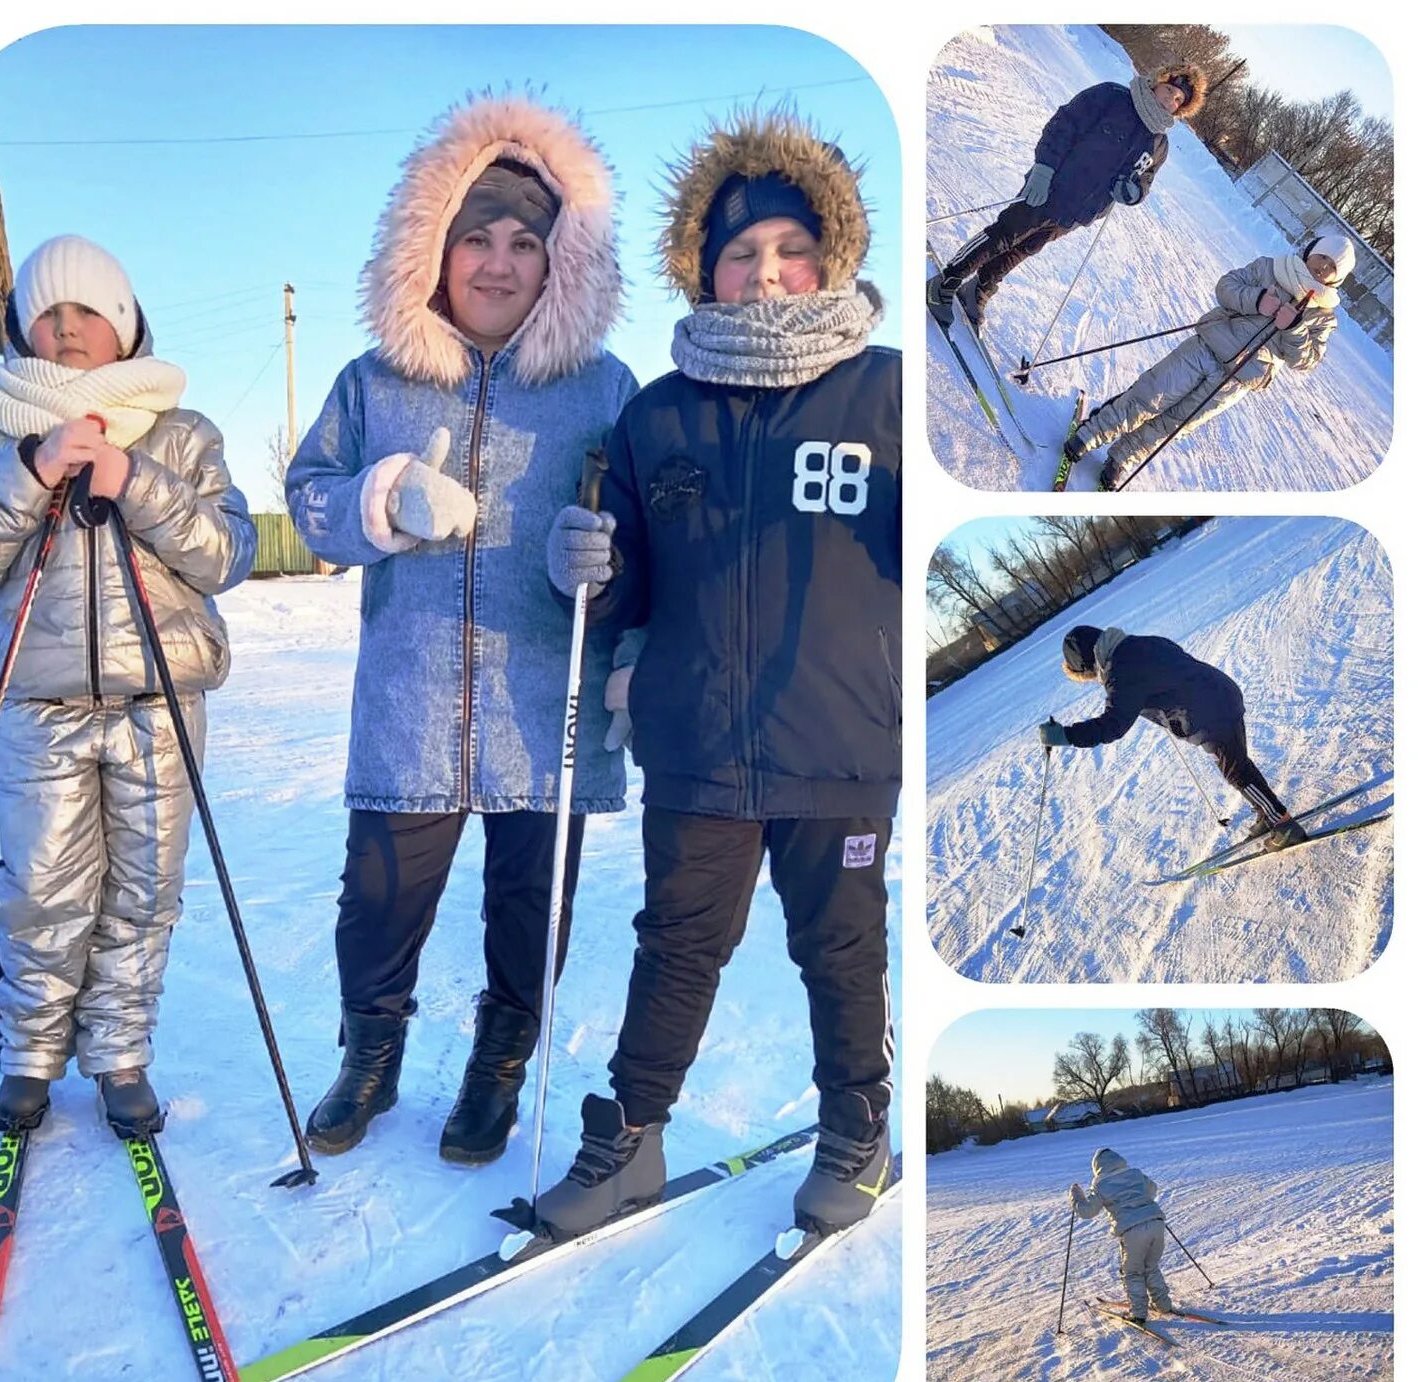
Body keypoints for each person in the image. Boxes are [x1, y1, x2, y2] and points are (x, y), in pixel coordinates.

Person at [535, 110, 901, 1240]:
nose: (766, 274)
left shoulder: (887, 391)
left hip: (840, 742)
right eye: (740, 256)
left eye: (790, 250)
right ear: (704, 271)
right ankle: (631, 1140)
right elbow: (628, 593)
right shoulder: (659, 414)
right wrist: (582, 564)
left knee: (839, 949)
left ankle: (856, 1125)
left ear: (831, 259)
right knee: (678, 943)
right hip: (695, 744)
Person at [286, 96, 637, 1162]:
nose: (496, 263)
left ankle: (497, 1067)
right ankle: (370, 1057)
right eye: (474, 238)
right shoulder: (371, 382)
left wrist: (606, 566)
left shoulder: (605, 390)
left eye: (523, 242)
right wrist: (380, 503)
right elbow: (310, 500)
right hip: (412, 698)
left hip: (547, 702)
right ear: (432, 252)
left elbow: (649, 543)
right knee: (379, 902)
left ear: (558, 262)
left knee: (532, 910)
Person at [0, 234, 256, 1137]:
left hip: (158, 702)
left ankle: (120, 1051)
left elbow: (226, 553)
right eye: (48, 310)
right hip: (36, 705)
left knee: (144, 890)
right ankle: (31, 1057)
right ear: (21, 328)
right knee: (42, 889)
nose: (68, 326)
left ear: (125, 326)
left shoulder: (183, 433)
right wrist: (32, 469)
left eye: (89, 310)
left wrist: (134, 480)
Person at [927, 63, 1205, 329]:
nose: (1170, 100)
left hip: (1081, 211)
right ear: (1157, 81)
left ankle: (978, 289)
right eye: (1169, 90)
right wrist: (1043, 169)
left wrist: (1133, 193)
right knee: (1005, 234)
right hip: (1051, 185)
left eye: (1178, 99)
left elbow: (1145, 180)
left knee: (1026, 248)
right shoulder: (1113, 96)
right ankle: (947, 279)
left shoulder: (1159, 143)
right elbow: (1063, 125)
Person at [1065, 234, 1355, 489]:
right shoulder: (1271, 268)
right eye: (1323, 257)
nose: (1323, 268)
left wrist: (1295, 329)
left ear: (1337, 279)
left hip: (1238, 379)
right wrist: (1255, 300)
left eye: (1332, 267)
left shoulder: (1323, 315)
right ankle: (1093, 433)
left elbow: (1306, 361)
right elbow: (1226, 286)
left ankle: (1123, 456)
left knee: (1177, 423)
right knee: (1151, 395)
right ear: (1310, 251)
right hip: (1207, 346)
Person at [1038, 625, 1306, 847]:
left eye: (1086, 675)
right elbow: (1172, 668)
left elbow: (1112, 725)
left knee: (1236, 771)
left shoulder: (1121, 673)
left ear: (1087, 665)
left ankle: (1283, 825)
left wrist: (1066, 735)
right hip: (1221, 694)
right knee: (1237, 763)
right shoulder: (1140, 643)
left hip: (1209, 713)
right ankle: (1265, 812)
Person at [1070, 1147, 1177, 1324]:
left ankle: (1139, 1314)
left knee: (1133, 1272)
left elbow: (1088, 1211)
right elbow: (1152, 1190)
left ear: (1097, 1167)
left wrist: (1076, 1197)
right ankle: (1163, 1305)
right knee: (1151, 1266)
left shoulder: (1100, 1184)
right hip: (1156, 1223)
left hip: (1133, 1231)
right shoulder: (1135, 1173)